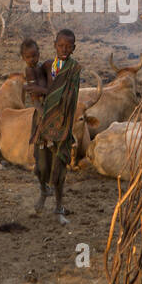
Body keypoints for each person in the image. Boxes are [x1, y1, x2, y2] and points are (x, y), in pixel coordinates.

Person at [27, 29, 81, 224]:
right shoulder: (48, 66)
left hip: (62, 124)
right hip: (42, 123)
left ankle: (58, 209)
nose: (64, 49)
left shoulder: (74, 70)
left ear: (74, 48)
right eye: (60, 45)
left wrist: (41, 90)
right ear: (54, 45)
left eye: (68, 46)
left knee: (59, 169)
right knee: (40, 167)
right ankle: (43, 190)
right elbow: (32, 80)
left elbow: (67, 97)